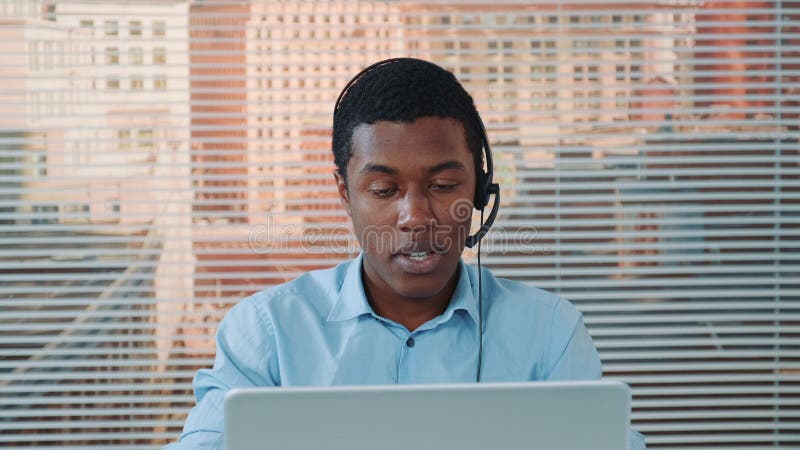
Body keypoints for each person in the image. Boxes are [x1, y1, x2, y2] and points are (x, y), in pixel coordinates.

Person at [165, 58, 646, 450]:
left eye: (442, 186)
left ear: (479, 193)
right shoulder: (266, 333)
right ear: (344, 194)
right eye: (382, 189)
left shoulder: (549, 333)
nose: (415, 216)